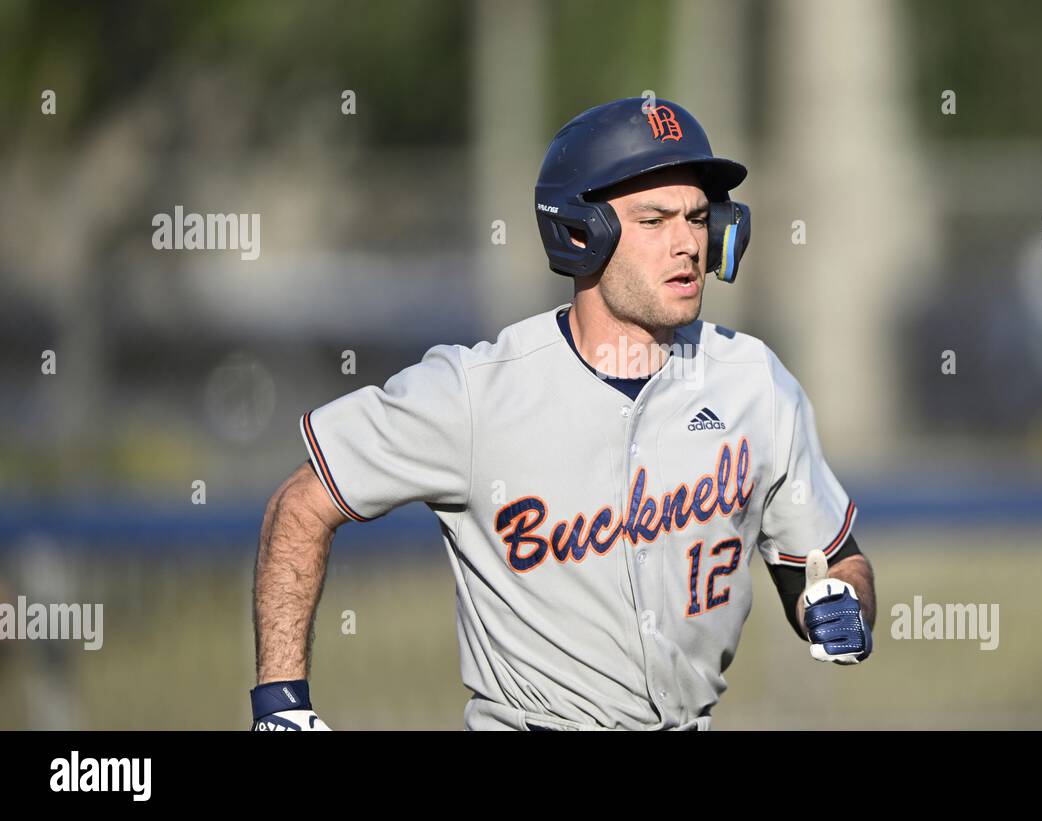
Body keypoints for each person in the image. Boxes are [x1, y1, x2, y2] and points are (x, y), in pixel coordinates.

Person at [250, 97, 875, 731]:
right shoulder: (478, 393)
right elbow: (300, 505)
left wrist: (841, 601)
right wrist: (281, 702)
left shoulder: (753, 382)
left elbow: (832, 558)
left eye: (696, 217)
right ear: (581, 232)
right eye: (654, 220)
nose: (688, 243)